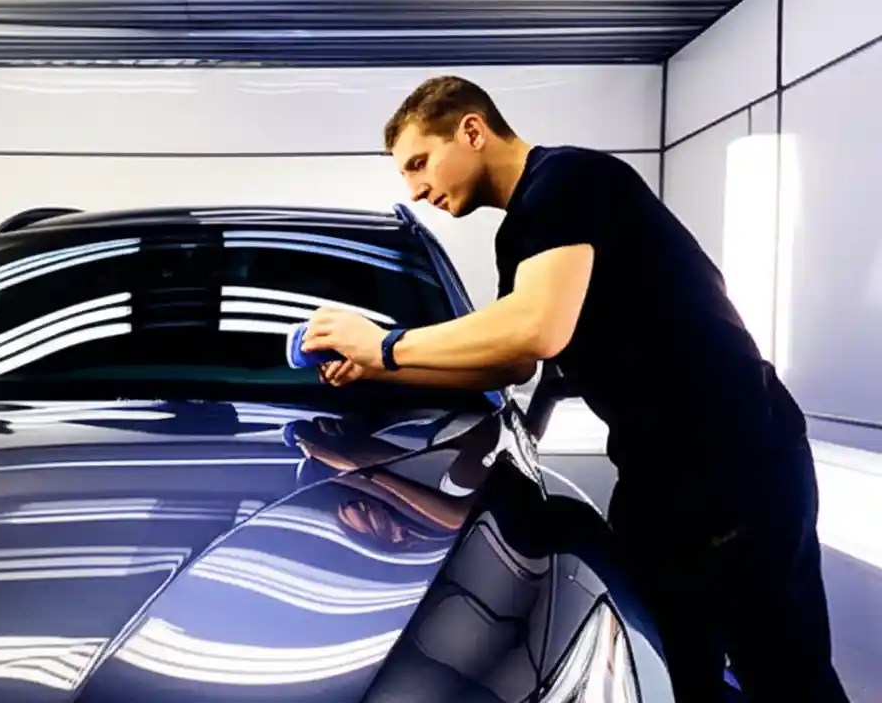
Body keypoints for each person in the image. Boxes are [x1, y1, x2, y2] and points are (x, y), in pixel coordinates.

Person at [301, 75, 849, 702]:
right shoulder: (523, 232)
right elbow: (507, 364)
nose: (416, 189)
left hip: (738, 464)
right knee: (676, 669)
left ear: (472, 130)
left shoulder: (569, 180)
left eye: (419, 163)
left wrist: (387, 343)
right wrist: (381, 372)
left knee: (783, 669)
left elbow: (536, 329)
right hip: (659, 476)